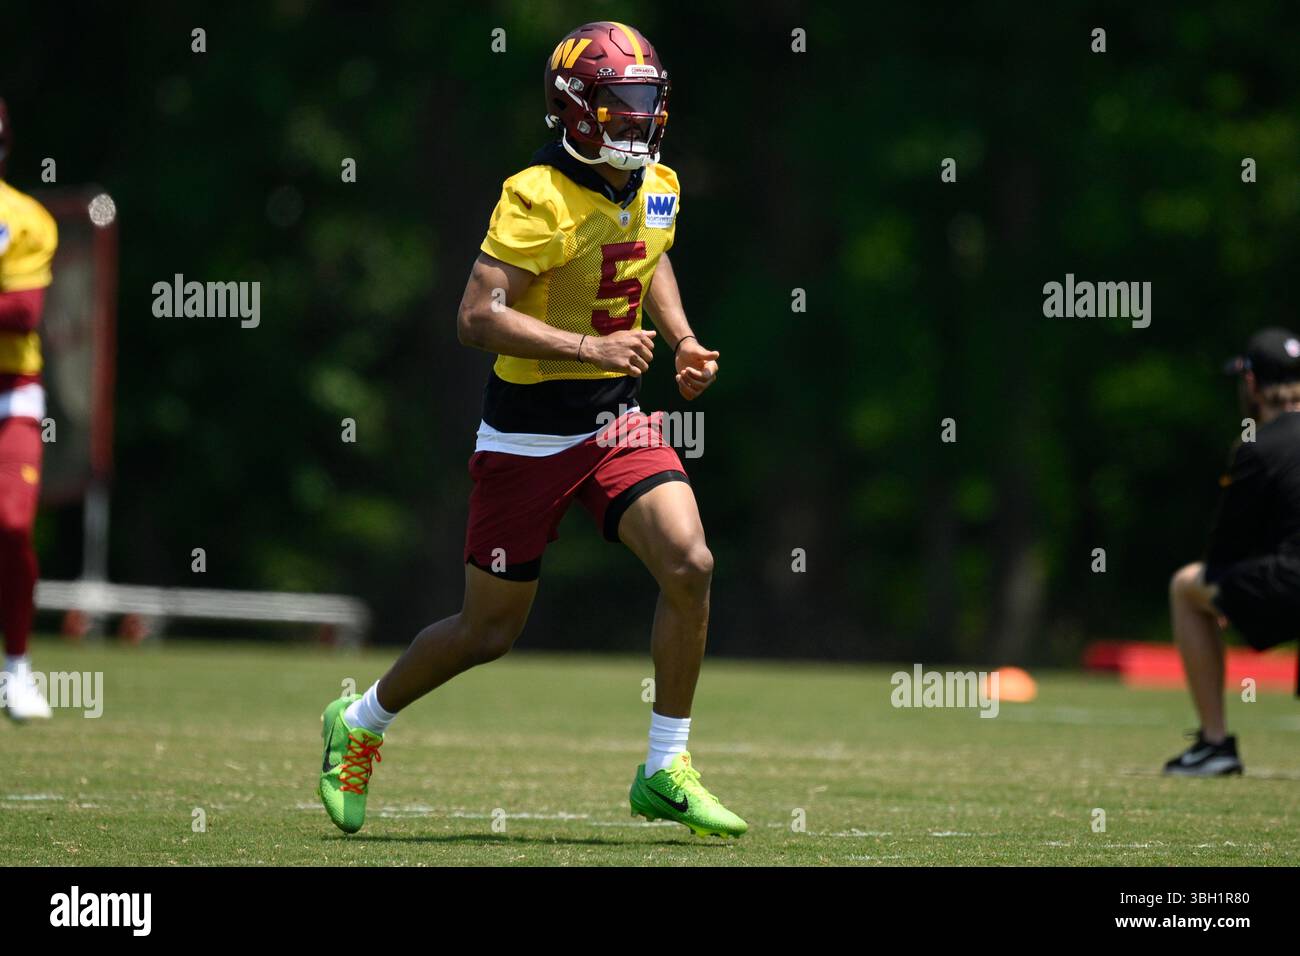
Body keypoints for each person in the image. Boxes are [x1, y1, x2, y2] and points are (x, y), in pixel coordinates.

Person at [317, 22, 746, 838]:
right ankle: (361, 721)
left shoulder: (659, 183)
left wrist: (684, 338)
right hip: (526, 438)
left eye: (647, 104)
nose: (640, 122)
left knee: (690, 564)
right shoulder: (536, 195)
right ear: (577, 111)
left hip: (615, 421)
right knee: (488, 632)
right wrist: (591, 344)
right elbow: (478, 317)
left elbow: (647, 253)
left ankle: (665, 766)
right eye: (621, 107)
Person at [1165, 328, 1300, 775]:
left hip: (1291, 583)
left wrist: (1223, 590)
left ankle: (1215, 744)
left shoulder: (1258, 447)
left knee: (1187, 586)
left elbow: (1226, 549)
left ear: (1252, 384)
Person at [0, 97, 57, 721]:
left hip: (11, 391)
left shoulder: (24, 217)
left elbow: (23, 311)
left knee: (12, 525)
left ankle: (16, 668)